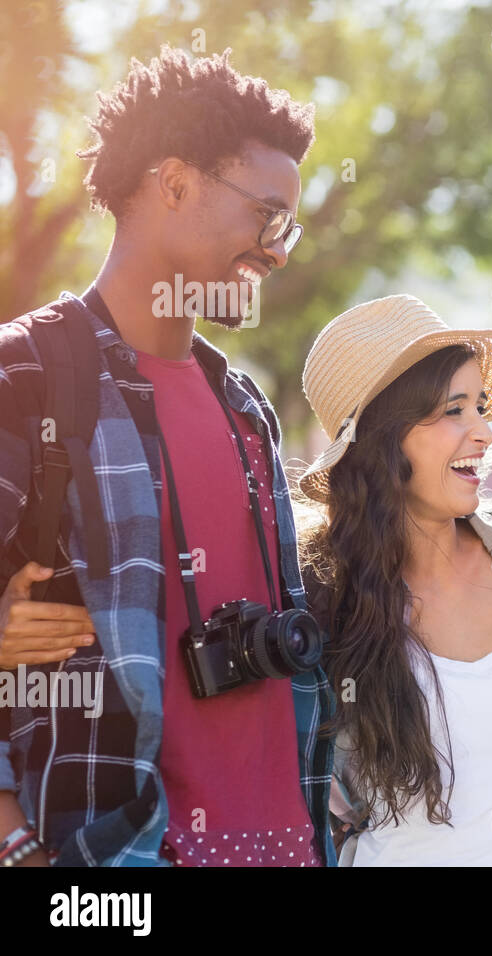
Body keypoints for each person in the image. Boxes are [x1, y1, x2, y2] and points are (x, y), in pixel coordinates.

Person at [0, 46, 333, 866]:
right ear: (176, 185)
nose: (279, 251)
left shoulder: (247, 409)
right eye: (267, 216)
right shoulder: (28, 376)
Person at [296, 294, 492, 866]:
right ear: (385, 438)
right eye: (454, 410)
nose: (485, 433)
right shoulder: (321, 613)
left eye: (480, 406)